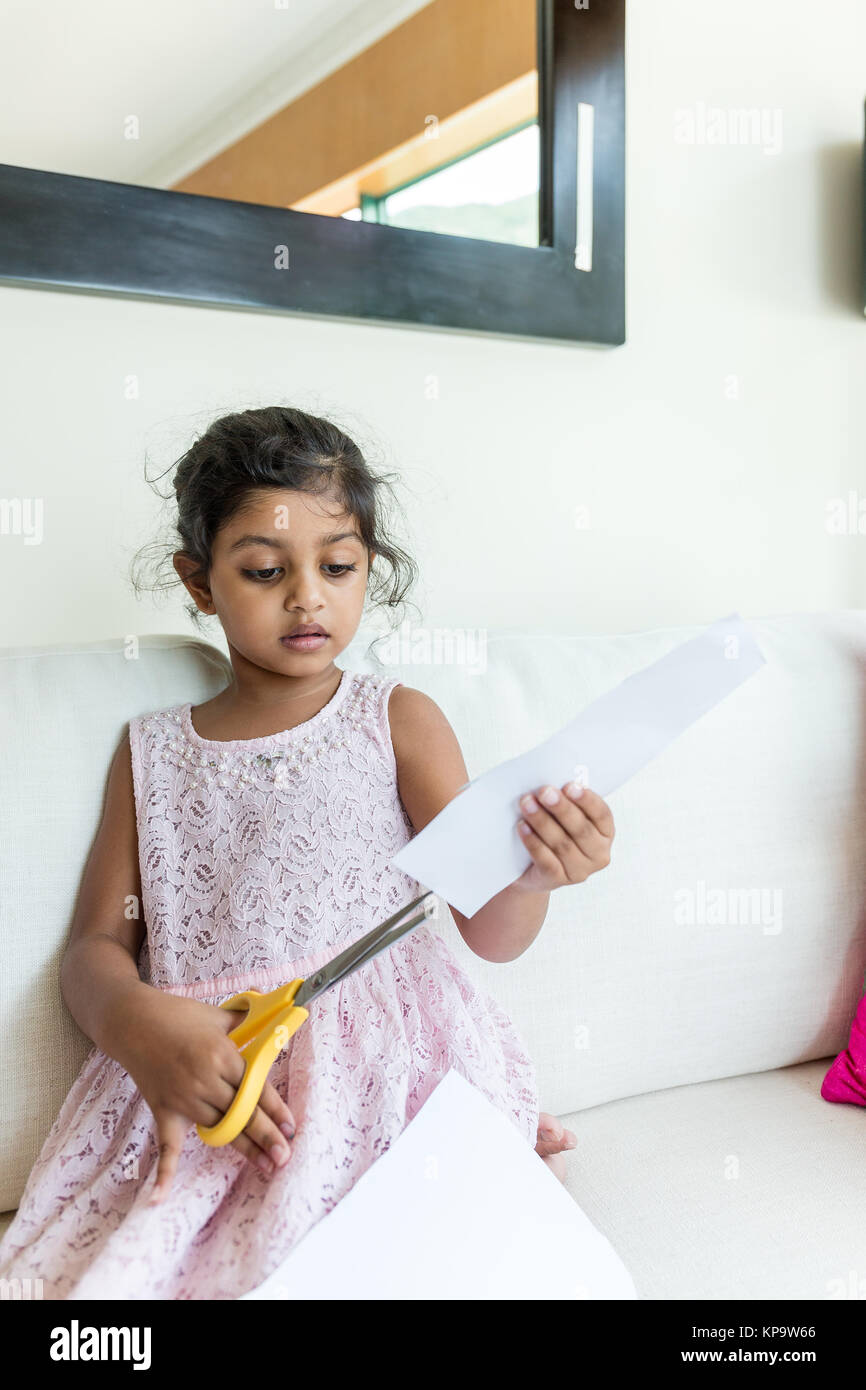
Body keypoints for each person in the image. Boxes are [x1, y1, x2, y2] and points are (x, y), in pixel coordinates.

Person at [0, 406, 615, 1299]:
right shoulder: (154, 752)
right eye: (262, 570)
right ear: (199, 582)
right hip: (209, 1073)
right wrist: (137, 1025)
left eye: (337, 566)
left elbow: (492, 927)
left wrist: (538, 866)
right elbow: (97, 946)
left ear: (371, 569)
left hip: (386, 1064)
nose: (307, 597)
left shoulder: (396, 721)